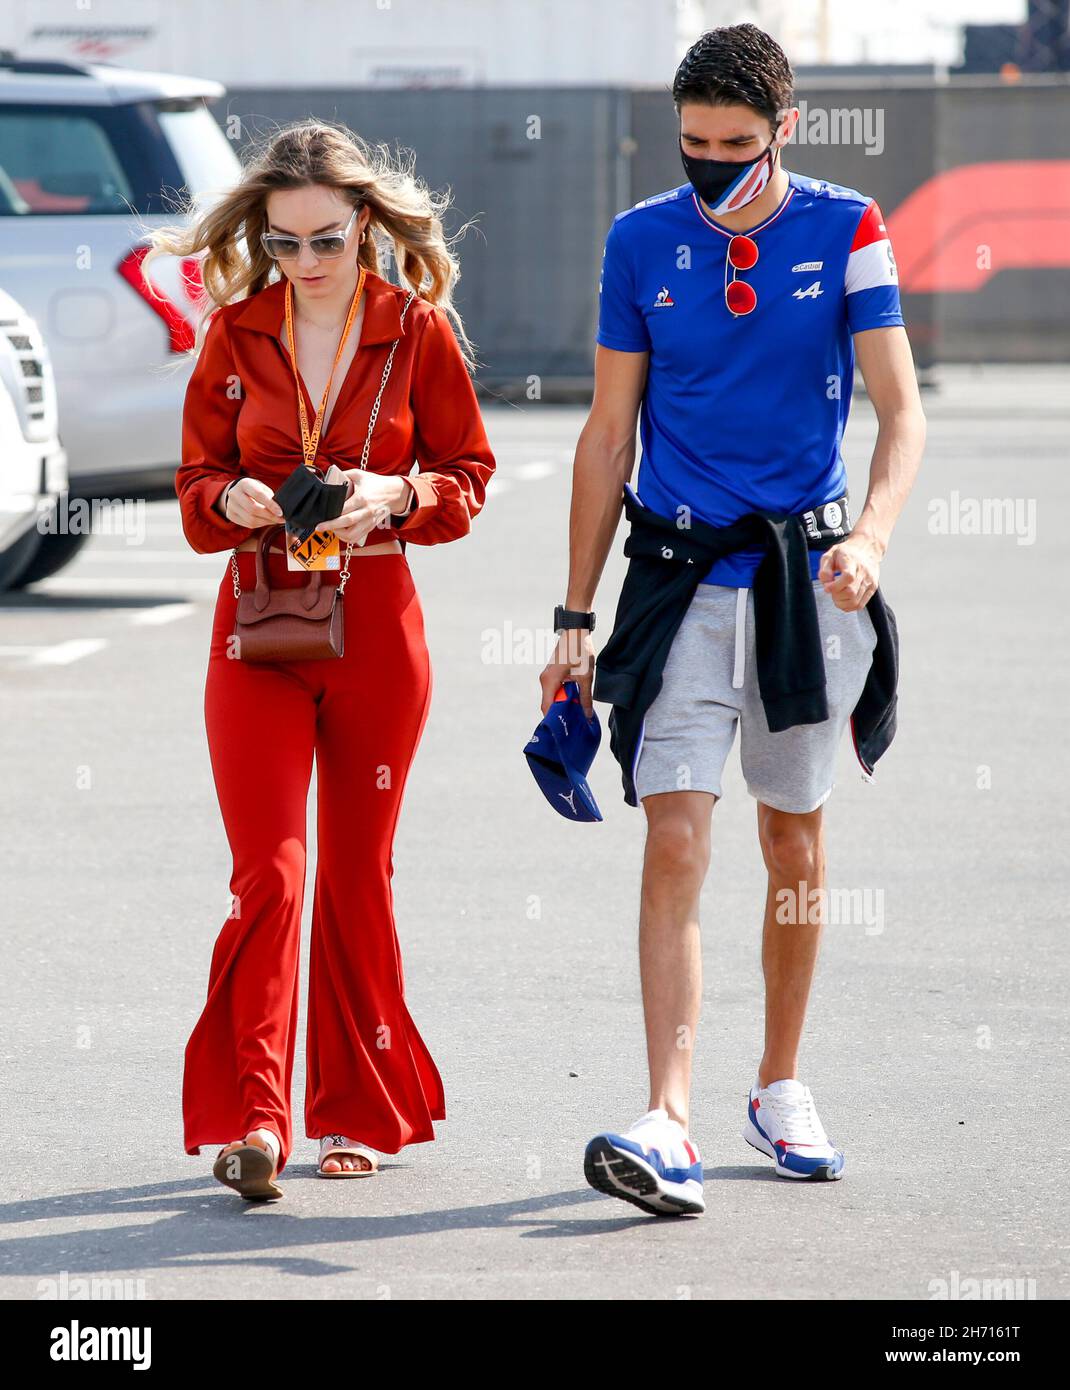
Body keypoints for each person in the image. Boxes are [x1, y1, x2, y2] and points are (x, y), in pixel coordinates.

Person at [539, 24, 925, 1215]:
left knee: (793, 844)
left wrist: (866, 537)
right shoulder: (636, 240)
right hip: (673, 578)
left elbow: (900, 414)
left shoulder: (846, 227)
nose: (710, 164)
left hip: (804, 584)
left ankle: (779, 1082)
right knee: (673, 834)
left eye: (736, 146)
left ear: (784, 129)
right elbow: (608, 435)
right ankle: (666, 1118)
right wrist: (570, 612)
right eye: (692, 144)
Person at [146, 120, 495, 1199]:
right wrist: (231, 497)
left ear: (366, 229)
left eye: (326, 242)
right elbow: (195, 488)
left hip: (377, 624)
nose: (304, 263)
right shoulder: (233, 335)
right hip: (256, 625)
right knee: (271, 875)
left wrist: (398, 494)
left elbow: (468, 475)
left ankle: (354, 1109)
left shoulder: (414, 330)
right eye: (284, 241)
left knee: (354, 877)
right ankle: (255, 1117)